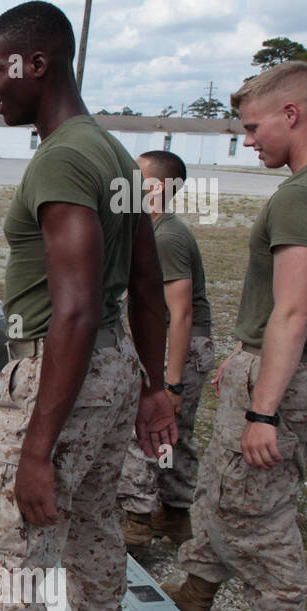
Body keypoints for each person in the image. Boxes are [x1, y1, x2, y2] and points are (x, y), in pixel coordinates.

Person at [0, 1, 175, 611]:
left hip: (60, 367)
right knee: (90, 516)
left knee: (1, 558)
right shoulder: (112, 153)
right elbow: (145, 285)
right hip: (115, 363)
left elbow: (77, 306)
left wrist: (37, 446)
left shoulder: (60, 158)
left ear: (36, 64)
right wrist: (154, 387)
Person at [165, 62, 307, 611]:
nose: (246, 140)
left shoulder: (304, 193)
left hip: (288, 379)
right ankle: (195, 594)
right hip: (305, 364)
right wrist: (248, 351)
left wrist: (262, 410)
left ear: (292, 115)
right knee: (224, 493)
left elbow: (293, 307)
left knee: (256, 509)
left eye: (252, 128)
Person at [117, 151, 213, 549]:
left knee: (149, 429)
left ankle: (139, 518)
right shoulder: (150, 230)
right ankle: (173, 513)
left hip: (179, 347)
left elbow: (182, 312)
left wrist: (169, 382)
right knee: (174, 433)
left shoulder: (168, 237)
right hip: (175, 345)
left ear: (155, 188)